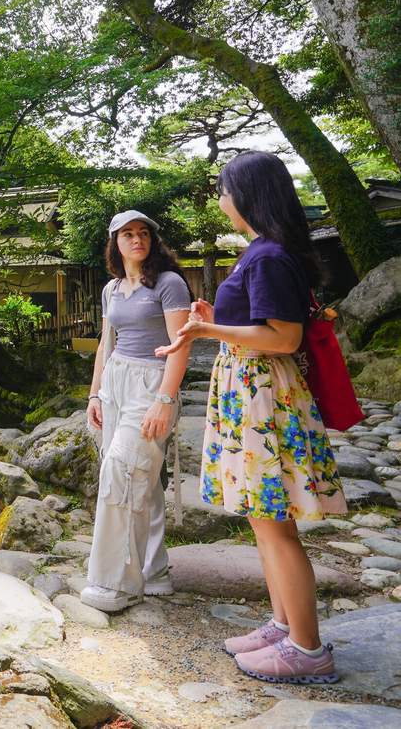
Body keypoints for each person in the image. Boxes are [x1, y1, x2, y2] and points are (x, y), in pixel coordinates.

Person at [156, 150, 345, 685]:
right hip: (252, 390)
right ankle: (283, 625)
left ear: (247, 196)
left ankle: (308, 649)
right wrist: (220, 319)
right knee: (264, 520)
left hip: (263, 395)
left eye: (223, 190)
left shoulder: (266, 256)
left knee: (274, 522)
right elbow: (262, 323)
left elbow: (283, 337)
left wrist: (206, 332)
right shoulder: (263, 252)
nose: (220, 200)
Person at [81, 210, 193, 613]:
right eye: (127, 234)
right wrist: (94, 396)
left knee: (122, 472)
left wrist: (165, 399)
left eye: (143, 233)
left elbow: (182, 345)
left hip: (152, 382)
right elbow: (104, 344)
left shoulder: (169, 283)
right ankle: (154, 569)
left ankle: (118, 584)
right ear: (115, 242)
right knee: (142, 478)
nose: (137, 239)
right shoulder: (112, 289)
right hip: (115, 382)